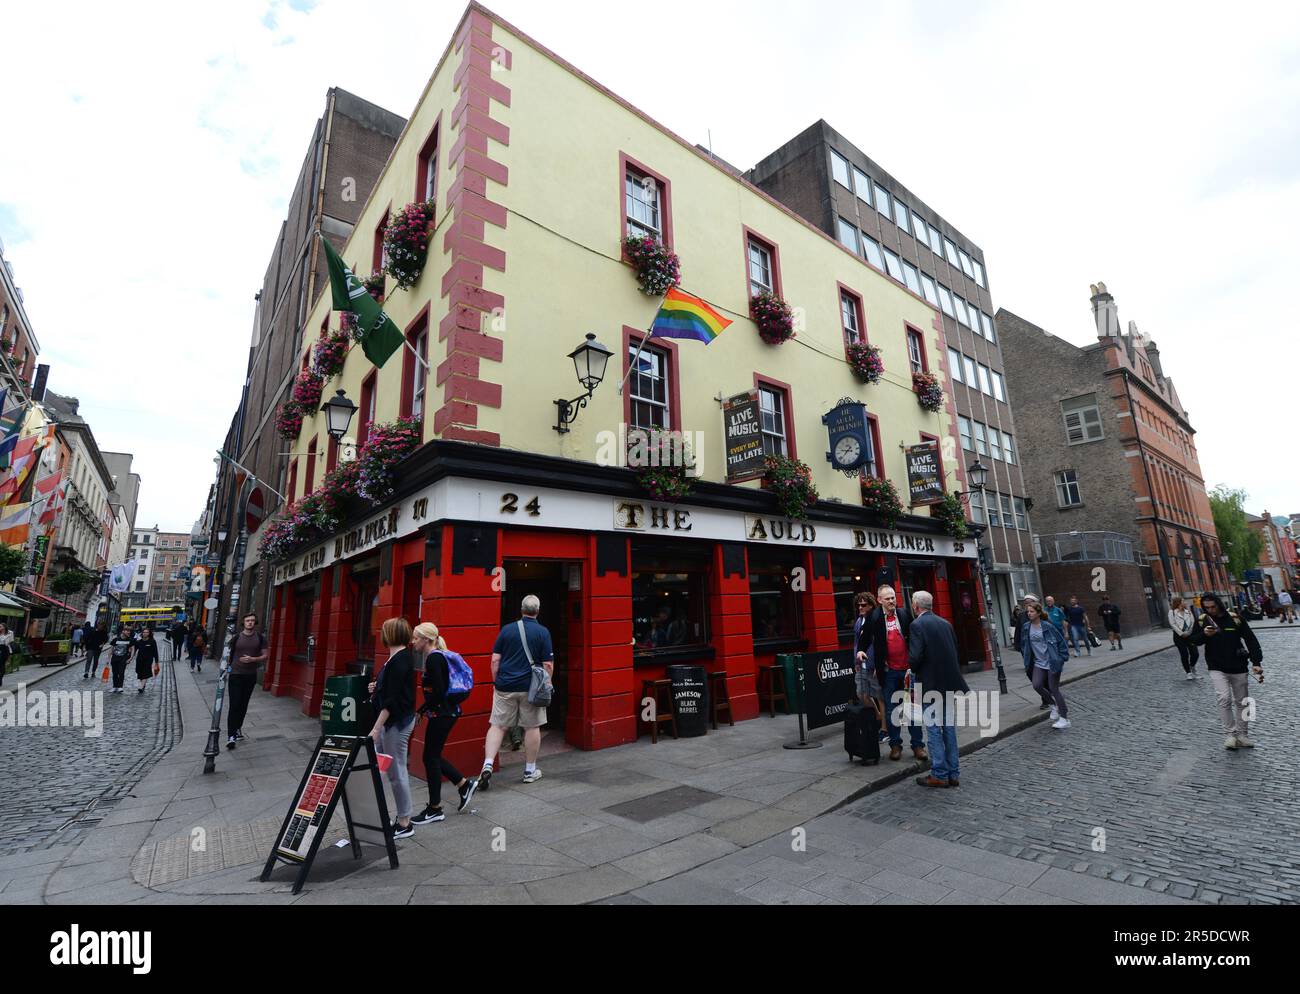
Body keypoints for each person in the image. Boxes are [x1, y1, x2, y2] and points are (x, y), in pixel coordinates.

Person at [479, 594, 554, 789]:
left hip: (505, 685)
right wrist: (547, 685)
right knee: (532, 727)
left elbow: (495, 660)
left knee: (497, 725)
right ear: (538, 611)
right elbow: (547, 665)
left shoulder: (507, 630)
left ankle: (487, 765)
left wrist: (497, 682)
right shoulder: (543, 632)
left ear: (521, 610)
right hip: (531, 688)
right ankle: (530, 770)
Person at [410, 622, 478, 825]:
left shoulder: (434, 659)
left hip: (442, 714)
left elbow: (439, 691)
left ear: (426, 640)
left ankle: (435, 808)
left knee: (430, 757)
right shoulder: (437, 657)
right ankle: (463, 785)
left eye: (416, 638)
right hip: (445, 713)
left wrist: (421, 710)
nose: (413, 642)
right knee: (432, 756)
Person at [907, 591, 970, 787]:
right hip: (948, 684)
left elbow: (916, 657)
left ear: (916, 606)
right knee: (949, 728)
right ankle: (953, 772)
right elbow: (954, 650)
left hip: (930, 685)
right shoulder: (946, 624)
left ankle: (939, 773)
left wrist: (911, 668)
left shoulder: (917, 625)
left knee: (933, 729)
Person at [1189, 592, 1263, 750]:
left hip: (1238, 666)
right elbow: (1193, 640)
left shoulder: (1235, 618)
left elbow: (1250, 639)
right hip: (1216, 666)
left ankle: (1243, 735)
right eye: (1206, 607)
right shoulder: (1203, 620)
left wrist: (1256, 662)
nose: (1210, 610)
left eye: (1213, 607)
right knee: (1223, 698)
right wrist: (1204, 635)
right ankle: (1230, 734)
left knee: (1243, 702)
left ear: (1219, 604)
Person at [367, 617, 417, 839]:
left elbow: (392, 699)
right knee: (390, 769)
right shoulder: (396, 658)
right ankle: (400, 817)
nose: (381, 632)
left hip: (395, 722)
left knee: (396, 771)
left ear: (392, 634)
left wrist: (376, 728)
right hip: (393, 721)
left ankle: (405, 822)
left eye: (384, 629)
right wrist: (376, 686)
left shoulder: (400, 660)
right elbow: (389, 689)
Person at [870, 585, 927, 763]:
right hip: (889, 672)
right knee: (892, 710)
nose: (892, 601)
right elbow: (870, 642)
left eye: (893, 597)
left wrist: (915, 661)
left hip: (908, 671)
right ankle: (895, 745)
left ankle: (918, 745)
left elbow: (914, 637)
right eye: (887, 598)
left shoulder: (903, 614)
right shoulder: (876, 617)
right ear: (879, 600)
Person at [1020, 601, 1071, 728]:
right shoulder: (1026, 627)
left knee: (1054, 689)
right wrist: (1026, 657)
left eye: (1031, 611)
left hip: (1052, 662)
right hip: (1038, 662)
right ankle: (1053, 705)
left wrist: (1062, 658)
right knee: (1036, 685)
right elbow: (1024, 644)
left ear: (1038, 613)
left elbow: (1061, 642)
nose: (1029, 614)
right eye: (1028, 612)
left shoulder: (1048, 626)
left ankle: (1064, 719)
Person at [226, 613, 268, 749]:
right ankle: (231, 735)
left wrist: (253, 659)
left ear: (255, 623)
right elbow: (227, 654)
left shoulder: (260, 638)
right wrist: (227, 668)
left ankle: (238, 728)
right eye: (247, 620)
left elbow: (265, 655)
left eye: (252, 621)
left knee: (243, 704)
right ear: (243, 623)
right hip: (235, 674)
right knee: (234, 704)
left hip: (250, 675)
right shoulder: (236, 637)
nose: (250, 623)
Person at [851, 593, 885, 730]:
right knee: (861, 694)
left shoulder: (876, 619)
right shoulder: (859, 621)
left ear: (871, 605)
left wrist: (879, 664)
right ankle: (877, 715)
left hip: (873, 663)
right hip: (861, 663)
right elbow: (857, 643)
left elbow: (880, 643)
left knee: (880, 696)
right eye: (858, 605)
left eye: (863, 605)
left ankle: (884, 729)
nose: (860, 607)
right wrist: (856, 662)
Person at [1168, 596, 1200, 680]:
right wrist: (1181, 633)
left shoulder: (1188, 611)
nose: (1184, 602)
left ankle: (1192, 666)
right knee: (1184, 654)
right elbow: (1172, 624)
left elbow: (1192, 622)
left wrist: (1188, 632)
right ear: (1178, 603)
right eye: (1183, 601)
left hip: (1190, 636)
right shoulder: (1172, 612)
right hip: (1179, 637)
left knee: (1195, 653)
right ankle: (1188, 672)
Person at [107, 625, 134, 694]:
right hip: (115, 658)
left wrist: (130, 658)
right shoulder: (116, 639)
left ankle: (120, 687)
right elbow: (111, 649)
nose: (129, 632)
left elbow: (133, 649)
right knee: (115, 673)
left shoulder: (130, 640)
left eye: (129, 631)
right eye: (127, 631)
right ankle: (115, 686)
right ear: (123, 631)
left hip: (123, 658)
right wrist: (108, 659)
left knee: (121, 672)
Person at [134, 626, 160, 694]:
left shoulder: (152, 641)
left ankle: (141, 686)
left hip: (148, 659)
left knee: (146, 672)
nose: (145, 633)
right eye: (144, 632)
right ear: (142, 633)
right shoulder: (139, 641)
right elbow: (134, 650)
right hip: (139, 659)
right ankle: (143, 684)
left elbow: (155, 652)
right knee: (139, 672)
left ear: (149, 633)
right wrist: (130, 658)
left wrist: (156, 662)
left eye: (147, 632)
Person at [0, 623, 12, 689]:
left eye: (0, 626)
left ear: (4, 627)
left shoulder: (8, 634)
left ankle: (0, 677)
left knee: (1, 664)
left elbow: (7, 643)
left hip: (4, 649)